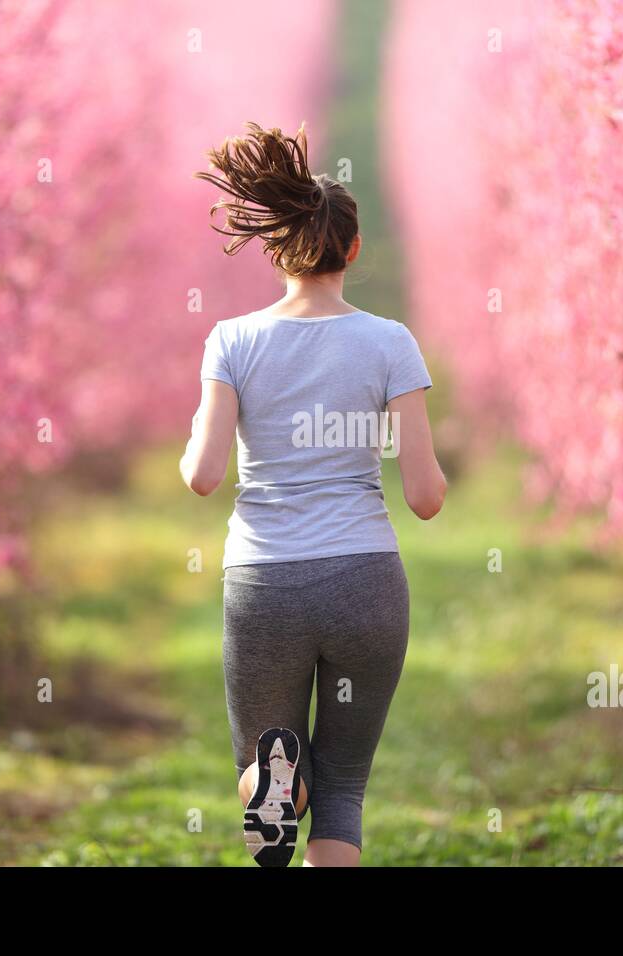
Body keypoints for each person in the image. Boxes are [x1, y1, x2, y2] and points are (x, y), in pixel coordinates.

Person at [181, 123, 446, 867]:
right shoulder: (390, 342)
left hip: (264, 580)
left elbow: (203, 476)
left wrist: (195, 440)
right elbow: (424, 496)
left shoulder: (232, 341)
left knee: (266, 769)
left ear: (277, 248)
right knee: (345, 790)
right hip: (366, 579)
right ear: (353, 250)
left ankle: (274, 781)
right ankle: (297, 788)